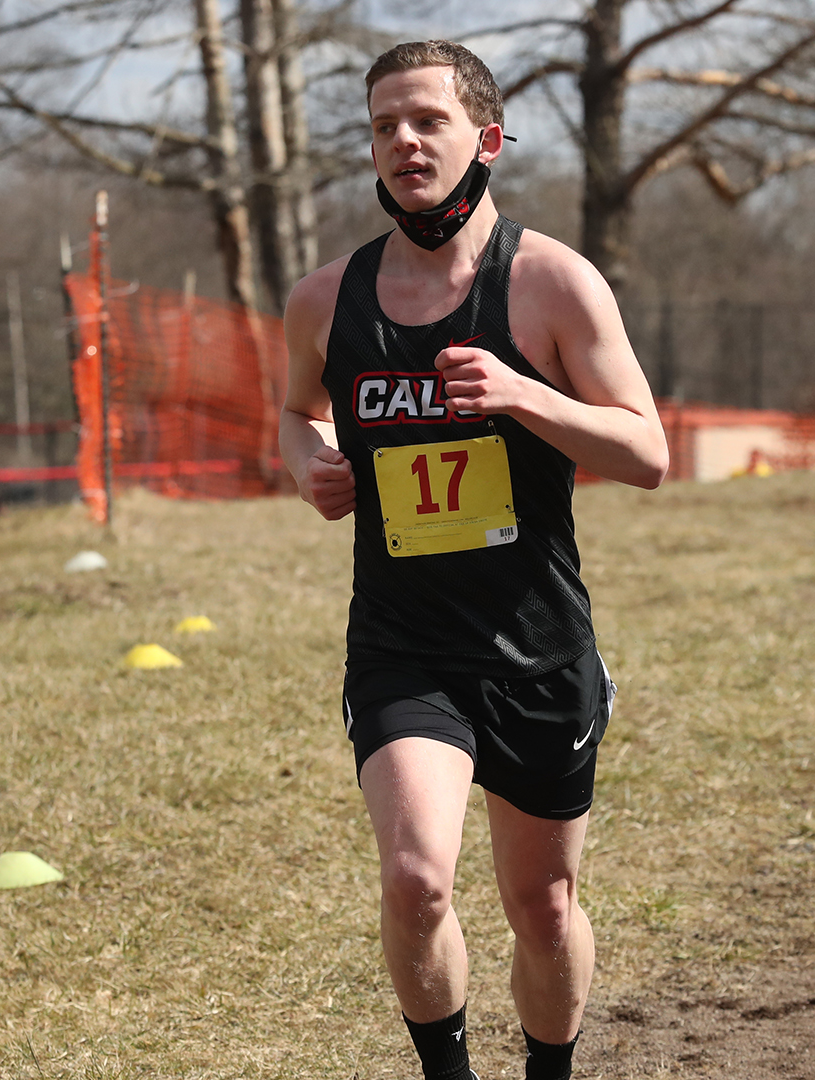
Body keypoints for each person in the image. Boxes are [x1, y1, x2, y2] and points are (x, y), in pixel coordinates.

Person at [277, 40, 668, 1080]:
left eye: (427, 121)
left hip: (537, 648)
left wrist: (521, 393)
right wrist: (310, 465)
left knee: (544, 908)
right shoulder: (326, 300)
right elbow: (297, 410)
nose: (403, 141)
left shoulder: (551, 283)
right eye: (383, 126)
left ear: (486, 138)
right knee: (416, 881)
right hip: (404, 647)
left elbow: (647, 453)